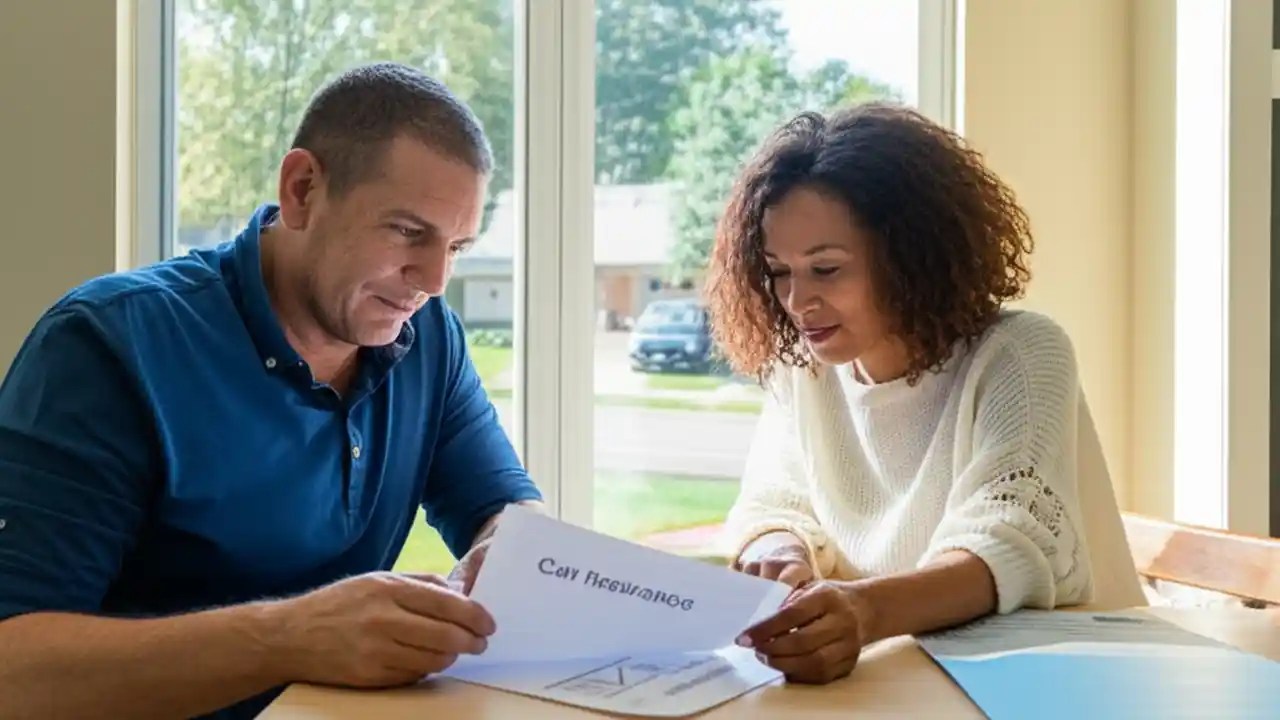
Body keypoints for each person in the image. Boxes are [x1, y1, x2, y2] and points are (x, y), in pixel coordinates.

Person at [0, 63, 543, 719]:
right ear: (303, 189)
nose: (432, 279)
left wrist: (512, 560)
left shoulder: (428, 336)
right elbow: (15, 669)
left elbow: (505, 513)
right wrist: (287, 639)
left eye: (457, 246)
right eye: (407, 232)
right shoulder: (108, 345)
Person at [713, 103, 1096, 684]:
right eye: (779, 271)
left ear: (911, 257)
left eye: (827, 268)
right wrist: (781, 550)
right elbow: (775, 501)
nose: (796, 302)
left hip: (1041, 682)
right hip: (893, 682)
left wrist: (865, 611)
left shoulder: (1019, 353)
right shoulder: (802, 370)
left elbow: (1010, 543)